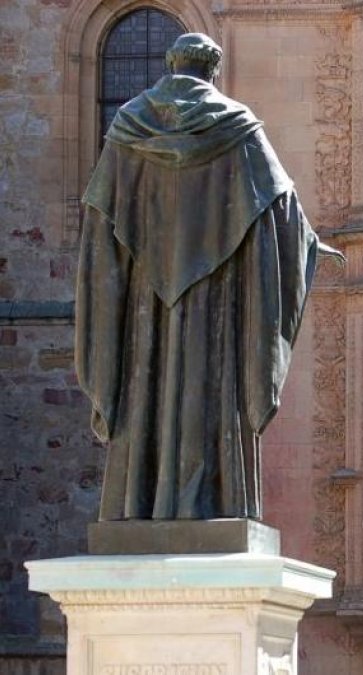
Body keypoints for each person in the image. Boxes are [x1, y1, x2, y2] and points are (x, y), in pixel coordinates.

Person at [76, 33, 341, 520]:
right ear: (213, 71)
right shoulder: (237, 126)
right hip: (217, 300)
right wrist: (307, 242)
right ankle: (213, 502)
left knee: (147, 384)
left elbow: (100, 218)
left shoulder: (129, 125)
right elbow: (278, 205)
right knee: (210, 385)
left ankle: (141, 505)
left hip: (143, 301)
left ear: (172, 64)